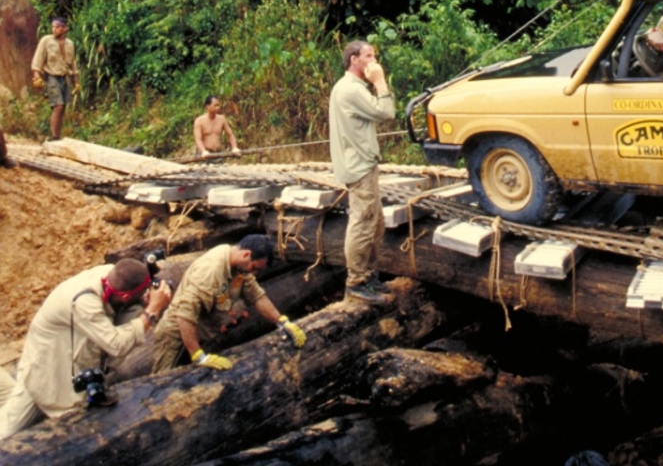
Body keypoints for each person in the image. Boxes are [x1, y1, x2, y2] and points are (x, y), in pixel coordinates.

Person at [0, 259, 172, 439]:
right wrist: (152, 310)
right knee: (7, 433)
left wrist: (144, 303)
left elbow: (125, 312)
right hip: (45, 369)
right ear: (126, 297)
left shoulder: (112, 276)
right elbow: (116, 345)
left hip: (69, 360)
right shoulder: (84, 300)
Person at [150, 235, 306, 374]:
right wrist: (198, 356)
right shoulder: (210, 272)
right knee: (162, 383)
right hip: (175, 335)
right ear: (246, 254)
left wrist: (282, 322)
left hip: (199, 332)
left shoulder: (240, 266)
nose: (254, 273)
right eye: (254, 268)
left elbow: (257, 296)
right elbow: (184, 315)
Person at [329, 40, 396, 305]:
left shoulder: (354, 87)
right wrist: (380, 82)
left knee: (375, 221)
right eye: (369, 56)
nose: (374, 61)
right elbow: (387, 111)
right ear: (354, 60)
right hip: (358, 166)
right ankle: (356, 281)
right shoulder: (350, 90)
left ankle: (368, 276)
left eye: (375, 56)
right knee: (363, 223)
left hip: (363, 163)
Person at [30, 17, 79, 141]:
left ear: (64, 29)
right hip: (51, 76)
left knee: (63, 107)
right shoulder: (46, 41)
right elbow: (38, 58)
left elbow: (73, 63)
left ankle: (57, 134)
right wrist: (36, 75)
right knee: (58, 106)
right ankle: (55, 136)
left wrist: (76, 81)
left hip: (64, 77)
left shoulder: (70, 44)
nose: (54, 29)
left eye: (57, 27)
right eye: (53, 27)